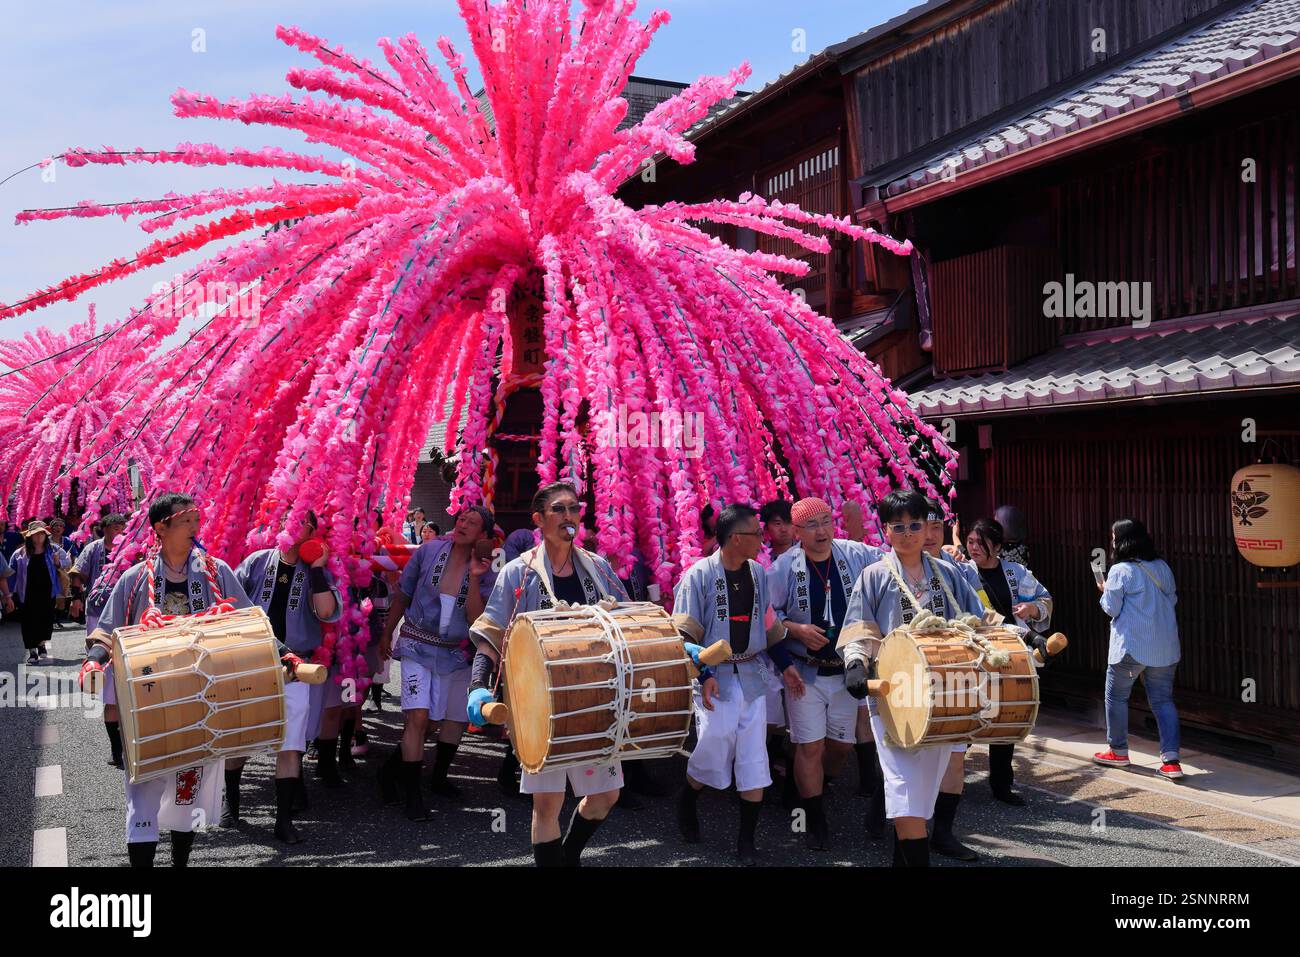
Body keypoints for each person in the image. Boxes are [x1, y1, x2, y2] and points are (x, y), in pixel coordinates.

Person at [89, 493, 256, 868]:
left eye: (198, 519)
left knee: (188, 794)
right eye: (186, 521)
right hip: (148, 703)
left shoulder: (215, 573)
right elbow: (105, 631)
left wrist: (283, 653)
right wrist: (93, 661)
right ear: (160, 528)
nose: (196, 527)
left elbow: (249, 622)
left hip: (201, 702)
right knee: (143, 795)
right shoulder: (135, 580)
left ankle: (180, 863)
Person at [468, 483, 630, 866]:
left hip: (594, 698)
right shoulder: (517, 572)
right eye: (560, 509)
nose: (570, 516)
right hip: (539, 704)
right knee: (548, 803)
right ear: (539, 520)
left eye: (575, 508)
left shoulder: (599, 568)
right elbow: (491, 632)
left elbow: (627, 622)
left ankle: (569, 854)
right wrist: (478, 686)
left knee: (607, 795)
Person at [838, 489, 986, 867]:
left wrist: (1025, 638)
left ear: (927, 527)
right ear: (885, 530)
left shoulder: (949, 572)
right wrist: (856, 664)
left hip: (944, 691)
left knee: (922, 791)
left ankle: (899, 859)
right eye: (898, 526)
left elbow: (982, 621)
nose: (908, 533)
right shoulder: (874, 575)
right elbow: (859, 628)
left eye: (915, 525)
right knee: (904, 784)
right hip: (894, 694)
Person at [673, 503, 803, 863]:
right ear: (734, 539)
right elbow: (683, 636)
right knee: (715, 744)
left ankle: (747, 841)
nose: (762, 540)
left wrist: (786, 666)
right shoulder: (698, 576)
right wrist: (704, 674)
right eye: (756, 535)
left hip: (752, 675)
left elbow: (769, 625)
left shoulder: (758, 573)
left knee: (753, 757)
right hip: (714, 677)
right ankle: (688, 797)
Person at [767, 497, 881, 850]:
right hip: (806, 673)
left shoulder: (853, 554)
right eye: (812, 525)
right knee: (811, 746)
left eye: (827, 521)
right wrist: (797, 631)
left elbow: (890, 566)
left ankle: (808, 782)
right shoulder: (783, 567)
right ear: (797, 532)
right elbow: (768, 618)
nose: (822, 531)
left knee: (841, 747)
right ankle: (814, 821)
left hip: (845, 669)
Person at [226, 510, 342, 843]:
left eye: (301, 522)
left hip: (296, 667)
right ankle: (230, 804)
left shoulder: (315, 572)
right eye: (286, 518)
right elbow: (228, 604)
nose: (291, 525)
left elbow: (325, 612)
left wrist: (318, 568)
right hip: (251, 662)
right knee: (241, 736)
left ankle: (283, 821)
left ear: (311, 532)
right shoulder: (257, 561)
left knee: (291, 745)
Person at [377, 506, 495, 819]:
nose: (463, 524)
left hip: (457, 651)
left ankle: (425, 777)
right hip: (418, 642)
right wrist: (387, 633)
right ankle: (413, 797)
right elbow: (402, 595)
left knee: (448, 719)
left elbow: (476, 619)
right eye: (461, 519)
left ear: (483, 535)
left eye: (472, 523)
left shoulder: (487, 569)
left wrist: (474, 575)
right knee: (418, 718)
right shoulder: (428, 551)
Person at [1093, 519, 1183, 780]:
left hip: (1130, 649)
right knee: (1163, 701)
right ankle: (1171, 761)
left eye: (1113, 537)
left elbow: (1111, 608)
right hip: (1164, 649)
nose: (1111, 542)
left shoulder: (1120, 571)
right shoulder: (1162, 567)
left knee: (1117, 697)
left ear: (1121, 541)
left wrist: (1103, 590)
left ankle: (1118, 751)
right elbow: (1173, 599)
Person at [71, 513, 129, 767]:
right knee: (109, 683)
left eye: (122, 527)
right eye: (114, 527)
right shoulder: (93, 550)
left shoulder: (131, 548)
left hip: (129, 616)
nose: (119, 531)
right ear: (103, 529)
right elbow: (78, 575)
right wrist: (75, 597)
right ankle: (117, 750)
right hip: (99, 614)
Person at [10, 521, 68, 664]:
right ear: (30, 536)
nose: (39, 537)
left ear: (45, 535)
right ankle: (32, 651)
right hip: (26, 592)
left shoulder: (53, 550)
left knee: (46, 619)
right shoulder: (20, 553)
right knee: (28, 621)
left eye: (41, 533)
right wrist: (9, 594)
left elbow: (67, 562)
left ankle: (41, 645)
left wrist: (58, 562)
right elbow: (11, 573)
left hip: (48, 591)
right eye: (35, 534)